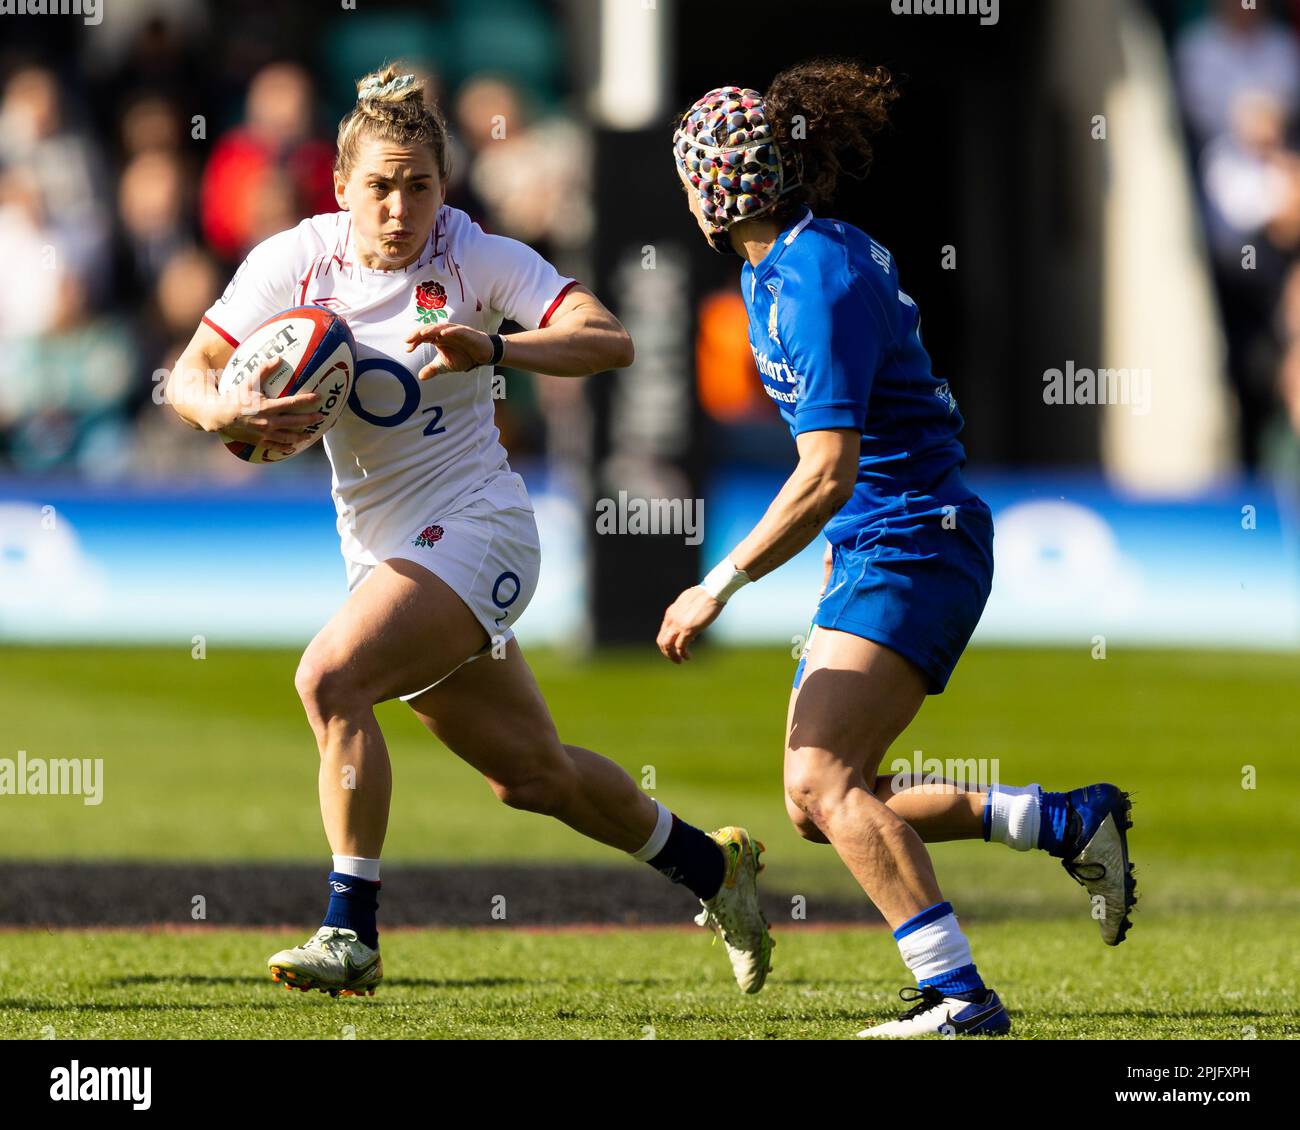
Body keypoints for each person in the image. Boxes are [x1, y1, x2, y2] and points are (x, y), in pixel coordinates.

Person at [164, 65, 773, 998]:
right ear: (341, 187)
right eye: (380, 186)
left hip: (482, 529)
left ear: (445, 188)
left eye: (420, 185)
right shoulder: (298, 259)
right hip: (383, 556)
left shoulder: (474, 255)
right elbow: (191, 373)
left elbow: (610, 338)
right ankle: (712, 868)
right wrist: (226, 415)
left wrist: (496, 347)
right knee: (533, 777)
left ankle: (350, 933)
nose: (401, 208)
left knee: (330, 678)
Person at [659, 60, 1137, 1037]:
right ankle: (1063, 821)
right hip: (894, 538)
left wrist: (718, 582)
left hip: (911, 539)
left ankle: (958, 996)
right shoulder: (785, 262)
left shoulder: (812, 280)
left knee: (820, 779)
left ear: (709, 193)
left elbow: (827, 469)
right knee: (825, 799)